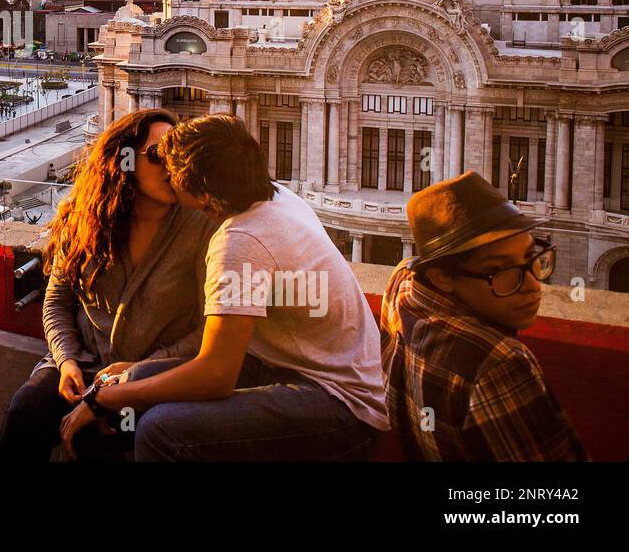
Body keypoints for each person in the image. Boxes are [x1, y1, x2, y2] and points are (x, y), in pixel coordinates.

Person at [61, 114, 388, 461]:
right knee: (133, 378)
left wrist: (106, 398)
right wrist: (125, 383)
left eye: (173, 173)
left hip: (341, 406)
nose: (167, 180)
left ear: (199, 190)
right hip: (286, 366)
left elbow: (216, 375)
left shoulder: (240, 241)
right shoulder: (275, 196)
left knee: (160, 429)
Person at [0, 109, 213, 462]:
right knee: (25, 411)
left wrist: (135, 372)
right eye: (159, 155)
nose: (172, 166)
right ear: (124, 161)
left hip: (149, 379)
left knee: (101, 437)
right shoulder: (87, 216)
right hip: (81, 368)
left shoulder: (200, 226)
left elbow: (206, 327)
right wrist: (66, 361)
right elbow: (57, 302)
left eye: (178, 154)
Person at [380, 171, 587, 461]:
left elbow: (410, 264)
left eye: (532, 258)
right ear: (442, 277)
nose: (532, 285)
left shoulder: (403, 287)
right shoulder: (498, 362)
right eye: (500, 270)